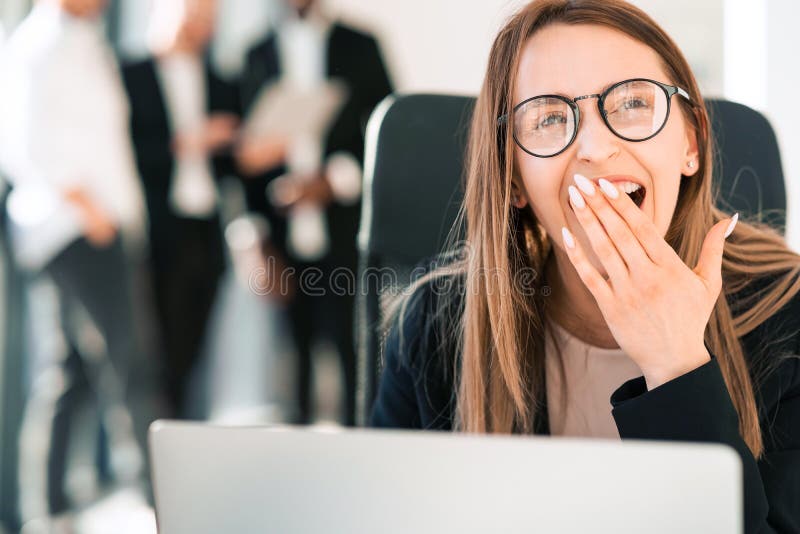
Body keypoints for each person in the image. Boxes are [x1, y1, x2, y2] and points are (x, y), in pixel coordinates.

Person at [369, 1, 800, 532]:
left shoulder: (792, 315)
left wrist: (676, 364)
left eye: (634, 103)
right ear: (512, 178)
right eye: (550, 117)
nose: (596, 147)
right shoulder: (434, 324)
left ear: (691, 142)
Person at [0, 0, 162, 516]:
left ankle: (46, 511)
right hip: (77, 233)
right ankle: (159, 501)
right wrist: (92, 213)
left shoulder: (86, 41)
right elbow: (22, 145)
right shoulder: (36, 45)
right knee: (130, 364)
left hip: (100, 229)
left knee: (69, 371)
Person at [236, 0, 393, 425]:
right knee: (291, 362)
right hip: (280, 238)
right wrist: (253, 236)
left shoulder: (360, 45)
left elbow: (389, 133)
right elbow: (242, 161)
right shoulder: (255, 54)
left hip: (346, 231)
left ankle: (358, 459)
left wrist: (334, 180)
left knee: (354, 354)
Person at [121, 0, 239, 417]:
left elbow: (233, 166)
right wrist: (186, 142)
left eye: (209, 21)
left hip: (205, 231)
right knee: (155, 357)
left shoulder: (220, 81)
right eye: (194, 16)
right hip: (154, 234)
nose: (200, 29)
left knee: (196, 353)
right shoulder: (128, 75)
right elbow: (123, 154)